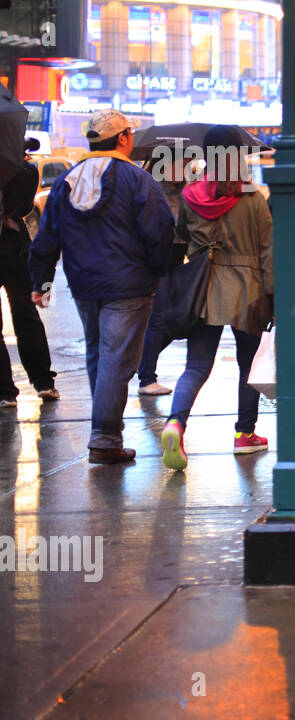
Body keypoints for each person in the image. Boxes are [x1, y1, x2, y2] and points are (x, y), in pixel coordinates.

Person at [28, 109, 175, 463]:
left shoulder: (68, 180)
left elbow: (47, 236)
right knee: (116, 360)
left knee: (99, 355)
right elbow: (159, 234)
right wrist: (158, 273)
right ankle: (106, 437)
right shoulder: (137, 180)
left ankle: (104, 432)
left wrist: (42, 281)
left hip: (84, 285)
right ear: (123, 138)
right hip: (129, 285)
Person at [160, 125, 273, 471]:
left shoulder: (191, 195)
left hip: (203, 287)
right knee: (248, 365)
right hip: (247, 289)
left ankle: (176, 423)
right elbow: (267, 252)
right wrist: (272, 295)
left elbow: (179, 236)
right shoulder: (254, 199)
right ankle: (244, 434)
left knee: (196, 365)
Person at [0, 138, 58, 406]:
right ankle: (43, 382)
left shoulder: (24, 170)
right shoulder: (26, 170)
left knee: (24, 316)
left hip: (14, 250)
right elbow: (22, 208)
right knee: (26, 315)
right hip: (16, 248)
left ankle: (5, 392)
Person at [134, 151, 195, 396]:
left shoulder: (183, 187)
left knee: (177, 319)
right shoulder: (151, 187)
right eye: (185, 163)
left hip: (176, 257)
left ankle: (140, 360)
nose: (189, 168)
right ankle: (146, 377)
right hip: (157, 258)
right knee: (159, 318)